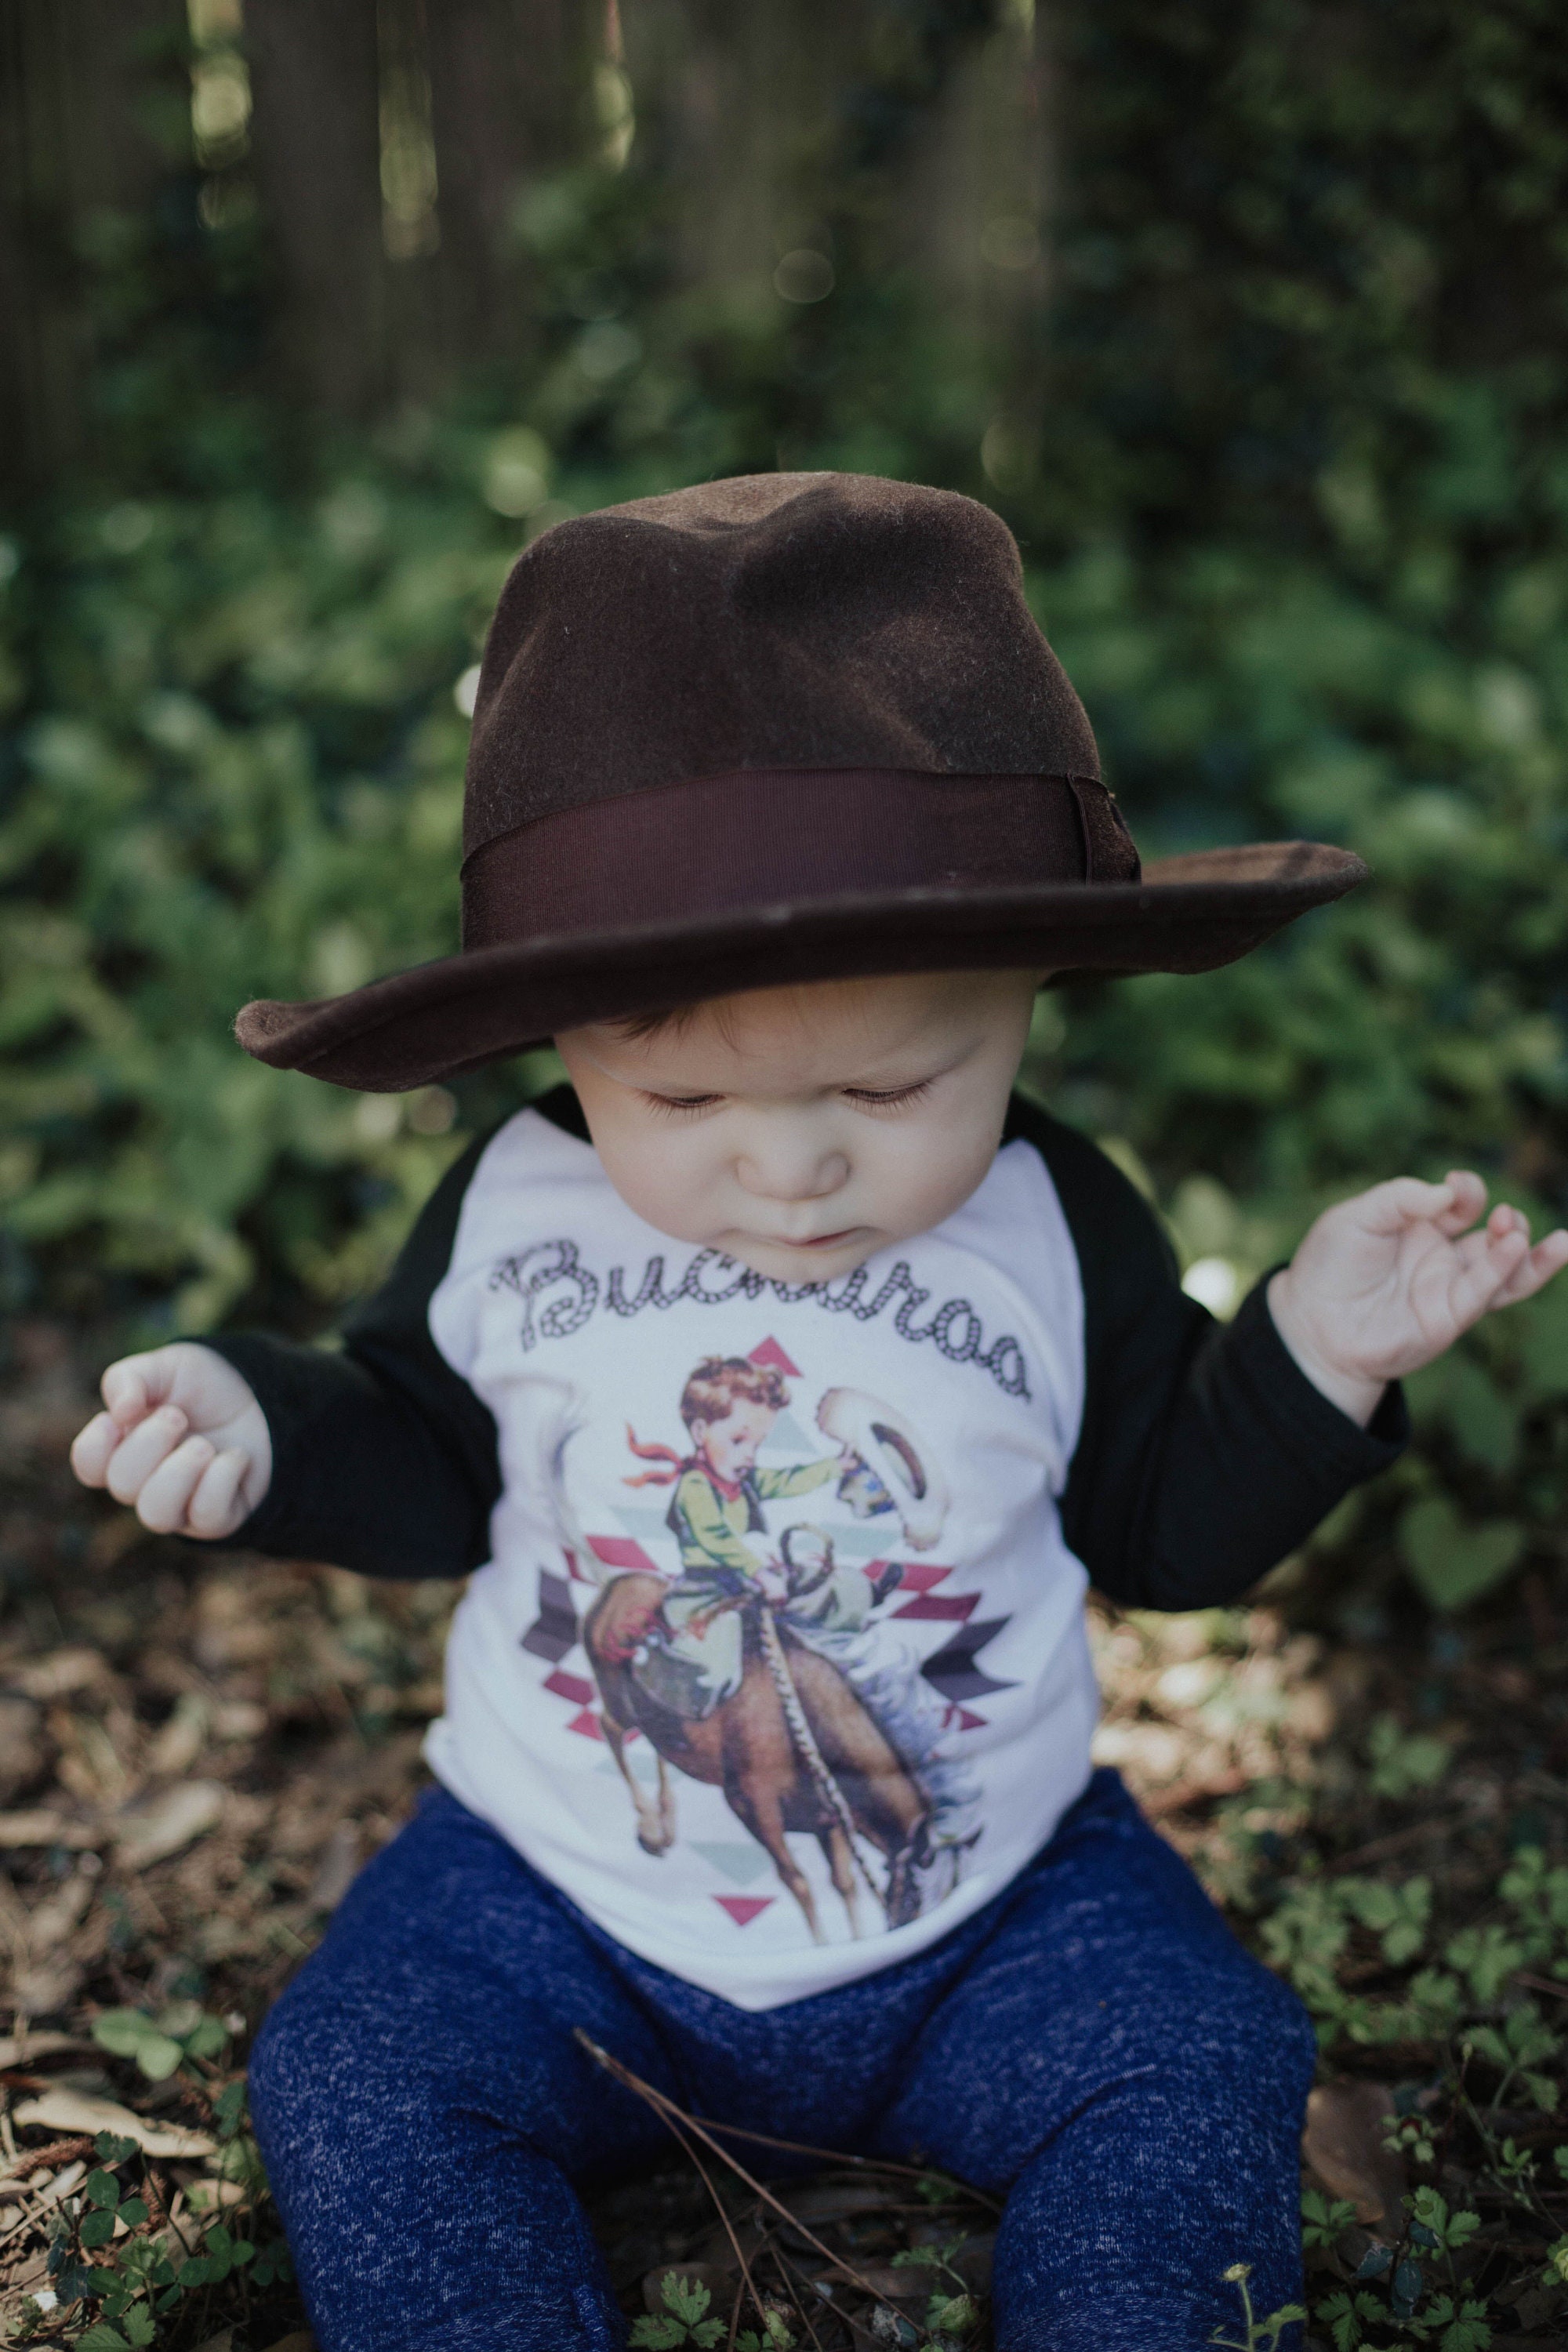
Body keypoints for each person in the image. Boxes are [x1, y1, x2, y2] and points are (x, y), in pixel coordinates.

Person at [68, 475, 1568, 2352]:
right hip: (546, 1901)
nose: (788, 1171)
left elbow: (1168, 1528)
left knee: (1203, 2058)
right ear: (559, 1048)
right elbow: (428, 1453)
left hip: (1000, 1912)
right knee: (357, 2076)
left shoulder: (1052, 1223)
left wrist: (1310, 1351)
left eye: (892, 1080)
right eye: (681, 1108)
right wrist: (265, 1429)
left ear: (1033, 997)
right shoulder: (511, 1214)